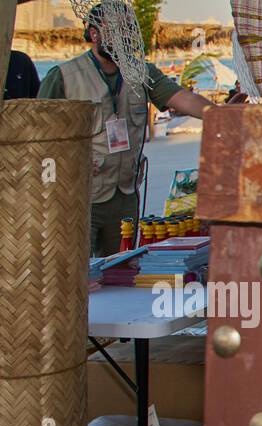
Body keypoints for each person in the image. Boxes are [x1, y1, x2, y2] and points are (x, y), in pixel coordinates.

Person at [38, 1, 212, 256]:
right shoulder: (63, 76)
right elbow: (39, 135)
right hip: (79, 196)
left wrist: (220, 115)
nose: (124, 36)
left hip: (125, 196)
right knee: (75, 272)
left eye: (129, 29)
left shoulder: (141, 71)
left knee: (119, 272)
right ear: (94, 33)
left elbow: (182, 99)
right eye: (116, 29)